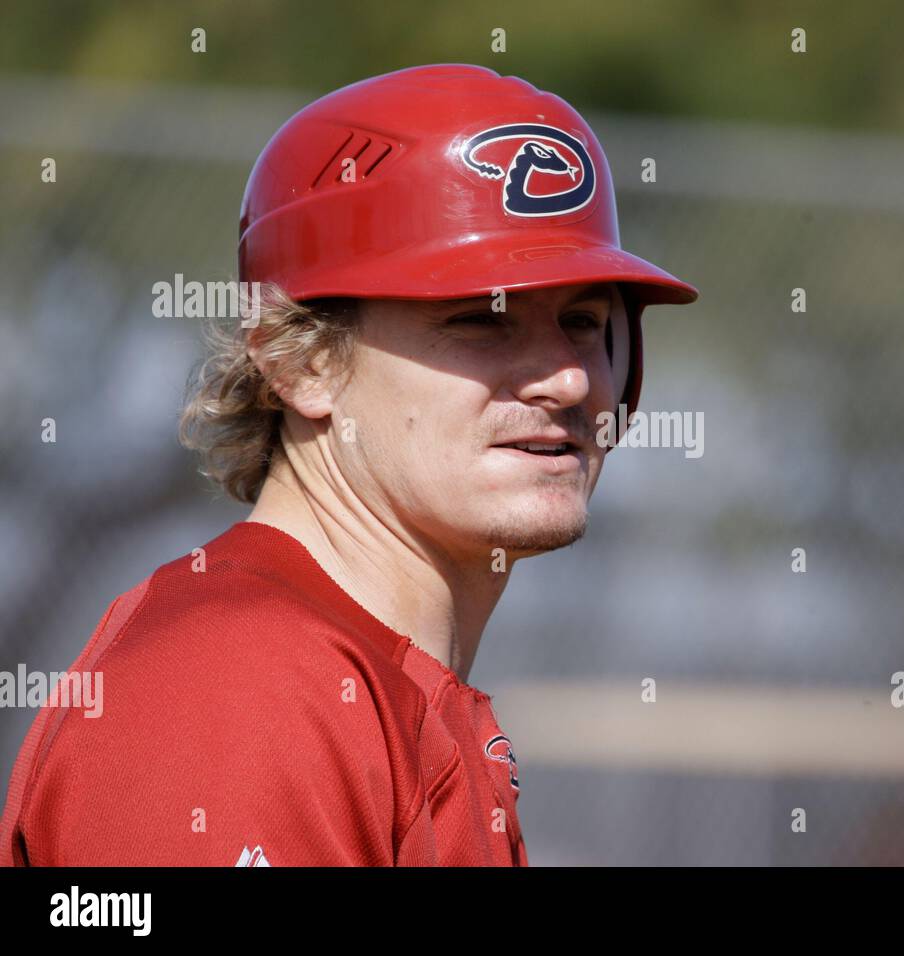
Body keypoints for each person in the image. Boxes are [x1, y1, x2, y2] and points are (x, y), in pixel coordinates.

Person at [0, 64, 697, 866]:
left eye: (582, 322)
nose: (569, 377)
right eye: (482, 320)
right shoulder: (242, 690)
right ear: (301, 365)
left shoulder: (363, 685)